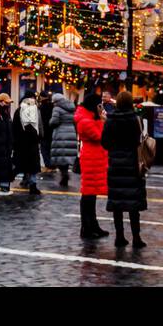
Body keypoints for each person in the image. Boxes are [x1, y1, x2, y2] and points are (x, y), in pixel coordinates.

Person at [100, 90, 146, 248]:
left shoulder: (110, 120)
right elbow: (138, 141)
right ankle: (136, 238)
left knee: (117, 203)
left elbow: (104, 142)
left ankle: (119, 237)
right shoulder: (135, 119)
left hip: (115, 163)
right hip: (132, 163)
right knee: (133, 204)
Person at [75, 93, 108, 238]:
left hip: (95, 158)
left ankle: (93, 225)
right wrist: (102, 120)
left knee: (91, 195)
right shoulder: (85, 121)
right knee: (88, 194)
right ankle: (86, 228)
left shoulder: (89, 118)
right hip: (90, 159)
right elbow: (100, 137)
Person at [12, 92, 43, 194]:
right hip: (31, 141)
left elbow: (15, 127)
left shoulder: (19, 111)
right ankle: (32, 185)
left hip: (22, 142)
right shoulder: (34, 110)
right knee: (32, 165)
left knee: (20, 164)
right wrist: (40, 136)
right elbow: (39, 126)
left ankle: (7, 182)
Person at [48, 92, 78, 187]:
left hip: (60, 133)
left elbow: (54, 121)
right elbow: (75, 120)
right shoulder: (71, 107)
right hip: (71, 132)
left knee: (60, 155)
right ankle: (65, 174)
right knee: (66, 155)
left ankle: (64, 175)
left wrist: (50, 122)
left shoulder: (56, 108)